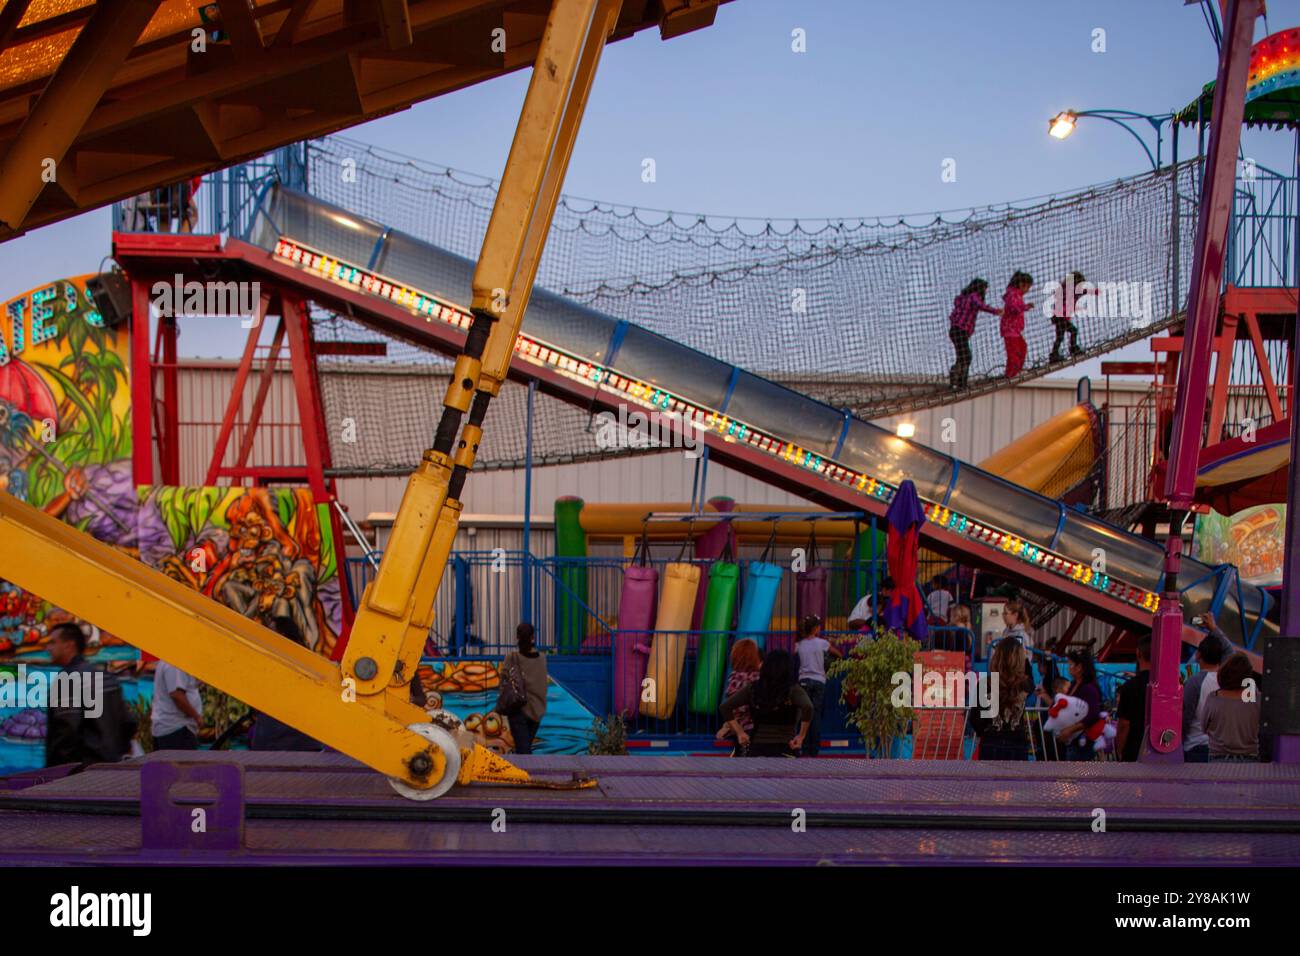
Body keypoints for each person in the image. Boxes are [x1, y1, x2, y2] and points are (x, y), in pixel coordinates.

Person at [44, 623, 135, 769]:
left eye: (53, 642)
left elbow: (66, 730)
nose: (48, 648)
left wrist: (56, 771)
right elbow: (129, 722)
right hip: (110, 770)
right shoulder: (107, 678)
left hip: (80, 773)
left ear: (69, 645)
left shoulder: (69, 680)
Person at [719, 649, 813, 757]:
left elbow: (725, 707)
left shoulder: (753, 688)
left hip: (756, 749)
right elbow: (808, 706)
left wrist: (740, 732)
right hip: (785, 748)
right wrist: (801, 736)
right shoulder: (793, 690)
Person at [249, 617, 324, 752]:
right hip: (305, 742)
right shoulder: (309, 663)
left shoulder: (273, 663)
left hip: (277, 741)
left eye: (271, 633)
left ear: (283, 636)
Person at [971, 635, 1033, 759]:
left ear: (997, 657)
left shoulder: (985, 684)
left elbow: (976, 719)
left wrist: (986, 731)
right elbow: (1029, 676)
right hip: (1017, 743)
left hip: (991, 742)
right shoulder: (1025, 684)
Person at [793, 615, 843, 757]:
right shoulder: (822, 643)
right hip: (819, 681)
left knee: (803, 714)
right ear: (816, 629)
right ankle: (813, 749)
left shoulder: (799, 645)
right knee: (815, 715)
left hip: (803, 682)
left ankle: (801, 745)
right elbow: (838, 653)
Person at [1203, 652, 1260, 762]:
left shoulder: (1214, 697)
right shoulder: (1256, 698)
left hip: (1218, 759)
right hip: (1250, 759)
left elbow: (1204, 727)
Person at [1182, 627, 1227, 763]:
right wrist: (1214, 628)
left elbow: (1185, 718)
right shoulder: (1229, 681)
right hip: (1222, 748)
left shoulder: (1193, 682)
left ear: (1198, 655)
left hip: (1195, 747)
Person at [1050, 649, 1103, 761]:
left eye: (1071, 664)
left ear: (1079, 667)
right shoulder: (1074, 685)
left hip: (1082, 743)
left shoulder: (1089, 688)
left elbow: (1092, 715)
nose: (1069, 667)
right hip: (1072, 742)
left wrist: (1070, 730)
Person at [502, 622, 547, 755]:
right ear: (533, 637)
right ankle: (526, 773)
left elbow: (503, 681)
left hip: (518, 710)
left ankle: (525, 775)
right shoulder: (542, 658)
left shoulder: (512, 657)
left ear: (517, 637)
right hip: (537, 710)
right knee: (525, 747)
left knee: (523, 751)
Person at [947, 278, 1002, 389]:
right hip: (960, 330)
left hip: (955, 330)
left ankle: (957, 378)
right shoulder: (973, 297)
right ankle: (961, 382)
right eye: (985, 289)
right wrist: (996, 311)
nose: (985, 292)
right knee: (967, 356)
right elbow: (981, 305)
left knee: (962, 357)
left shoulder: (963, 298)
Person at [717, 638, 763, 755]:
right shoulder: (758, 676)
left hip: (742, 729)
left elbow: (735, 708)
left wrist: (728, 727)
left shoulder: (736, 677)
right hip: (756, 727)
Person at [151, 657, 204, 750]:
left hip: (174, 728)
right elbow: (177, 695)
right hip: (176, 729)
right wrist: (196, 717)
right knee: (180, 763)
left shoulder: (169, 662)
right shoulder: (174, 663)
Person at [1115, 634, 1151, 761]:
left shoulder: (1130, 687)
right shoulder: (1168, 687)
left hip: (1133, 752)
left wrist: (1119, 749)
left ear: (1138, 653)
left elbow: (1124, 724)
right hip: (1162, 751)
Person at [1001, 271, 1034, 378]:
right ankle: (1011, 374)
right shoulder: (1012, 294)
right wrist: (1025, 307)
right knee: (1014, 354)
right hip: (1010, 330)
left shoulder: (1017, 295)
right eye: (1028, 287)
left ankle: (1015, 371)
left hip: (1015, 330)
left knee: (1022, 348)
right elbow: (1013, 308)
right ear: (1021, 284)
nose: (1028, 290)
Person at [1049, 270, 1088, 362]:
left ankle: (1054, 354)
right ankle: (1073, 348)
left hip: (1059, 317)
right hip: (1060, 317)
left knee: (1060, 337)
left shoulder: (1067, 289)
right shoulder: (1068, 289)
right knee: (1073, 331)